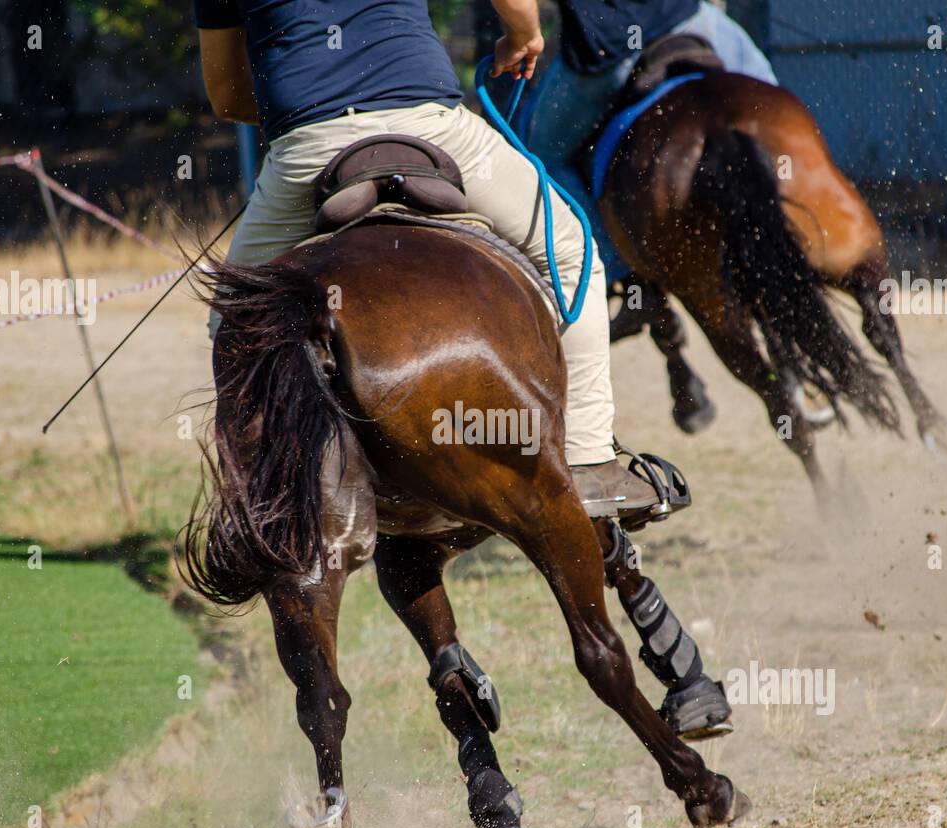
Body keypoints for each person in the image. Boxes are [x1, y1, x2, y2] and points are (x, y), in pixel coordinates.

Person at [195, 0, 656, 515]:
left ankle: (256, 492)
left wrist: (308, 101)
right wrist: (523, 34)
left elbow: (227, 95)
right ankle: (590, 460)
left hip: (311, 146)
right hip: (431, 126)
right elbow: (516, 6)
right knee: (572, 250)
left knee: (236, 312)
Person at [524, 0, 777, 283]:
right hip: (690, 19)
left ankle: (622, 276)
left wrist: (522, 37)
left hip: (611, 44)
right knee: (773, 105)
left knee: (542, 161)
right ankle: (793, 227)